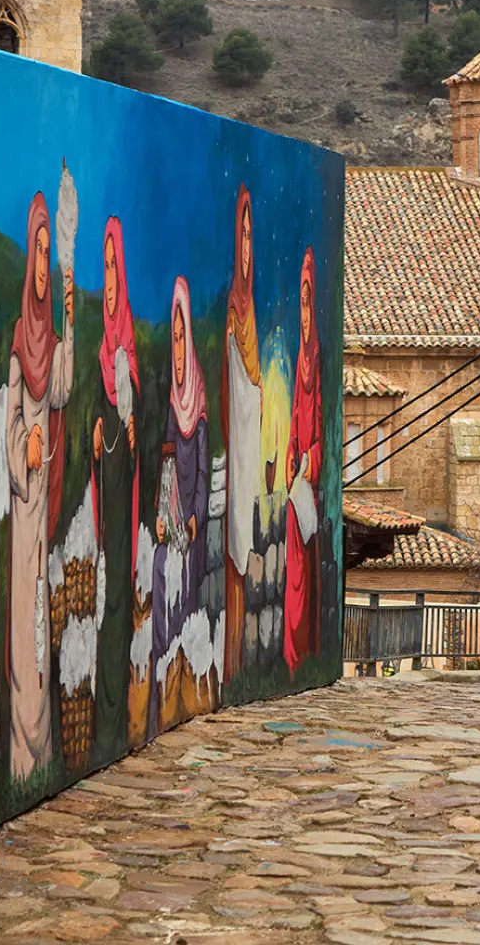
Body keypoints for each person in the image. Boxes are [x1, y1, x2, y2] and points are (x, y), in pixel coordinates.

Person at [6, 193, 76, 778]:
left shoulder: (50, 340)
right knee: (22, 617)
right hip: (20, 498)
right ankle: (21, 752)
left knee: (40, 624)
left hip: (43, 490)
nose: (41, 262)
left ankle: (41, 745)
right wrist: (19, 446)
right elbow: (11, 414)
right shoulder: (17, 338)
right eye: (38, 249)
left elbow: (61, 391)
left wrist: (72, 321)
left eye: (48, 254)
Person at [91, 217, 141, 753]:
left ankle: (115, 701)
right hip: (96, 498)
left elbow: (139, 423)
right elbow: (88, 408)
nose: (107, 278)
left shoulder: (126, 346)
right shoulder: (97, 349)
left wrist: (128, 427)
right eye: (102, 266)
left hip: (120, 499)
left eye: (113, 266)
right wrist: (97, 424)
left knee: (117, 599)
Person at [155, 277, 213, 729]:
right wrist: (162, 514)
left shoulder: (198, 400)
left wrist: (193, 515)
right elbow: (168, 464)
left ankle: (182, 681)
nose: (177, 349)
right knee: (160, 578)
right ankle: (162, 676)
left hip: (192, 520)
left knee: (186, 592)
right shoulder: (174, 404)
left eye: (181, 338)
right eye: (172, 339)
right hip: (171, 515)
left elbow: (203, 471)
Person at [223, 186, 264, 679]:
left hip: (252, 465)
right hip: (234, 471)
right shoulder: (233, 310)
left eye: (253, 236)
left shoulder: (250, 312)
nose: (249, 246)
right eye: (245, 235)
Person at [284, 249, 324, 674]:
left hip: (309, 490)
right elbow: (297, 419)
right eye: (303, 303)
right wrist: (296, 454)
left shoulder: (320, 359)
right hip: (297, 489)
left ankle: (303, 655)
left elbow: (321, 426)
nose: (307, 312)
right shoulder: (299, 360)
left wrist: (312, 459)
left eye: (311, 303)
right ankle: (293, 655)